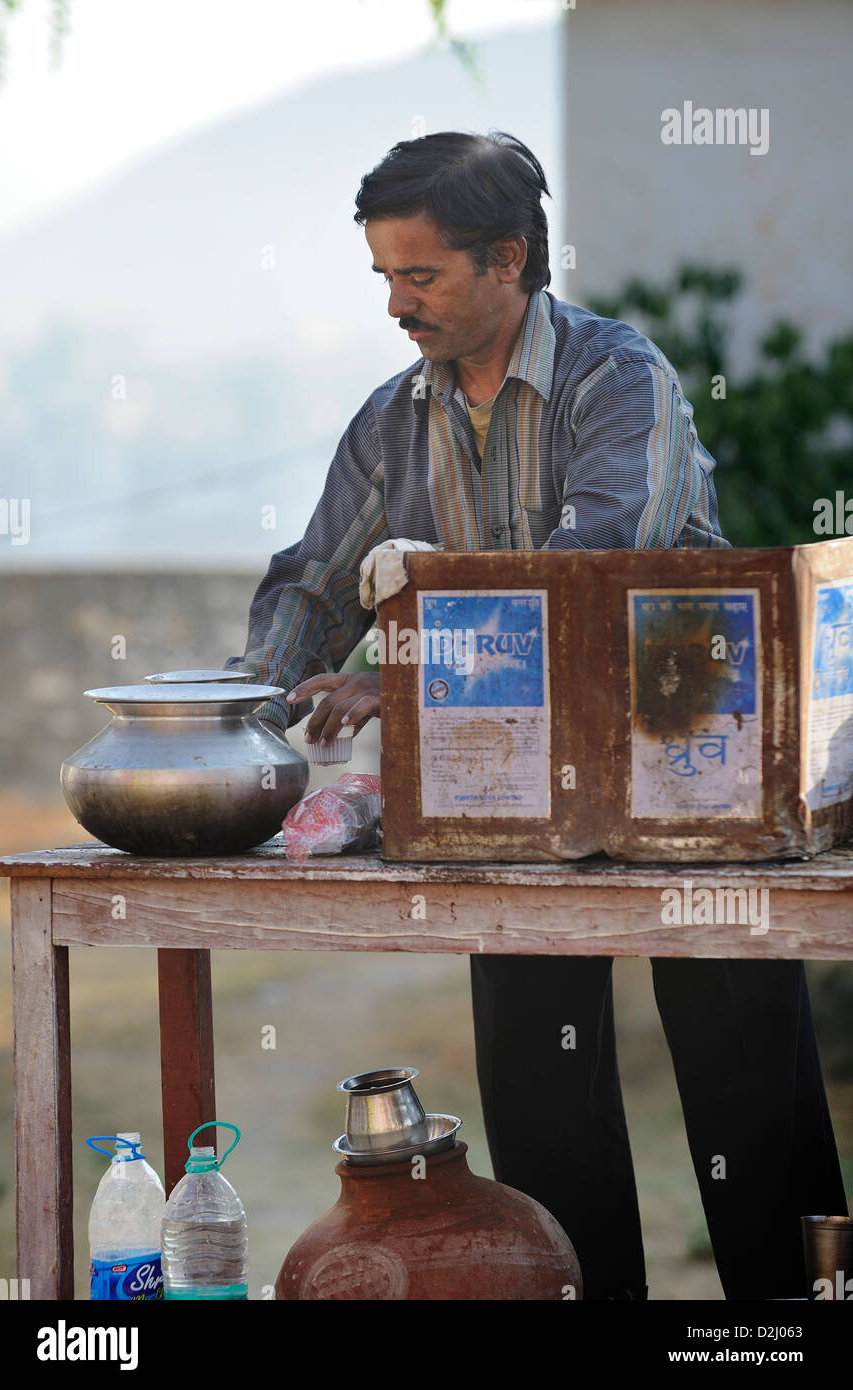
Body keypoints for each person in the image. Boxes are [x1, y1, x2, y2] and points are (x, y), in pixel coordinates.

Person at [225, 130, 847, 1299]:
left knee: (740, 1084)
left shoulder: (621, 381)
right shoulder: (391, 418)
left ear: (507, 258)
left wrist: (405, 673)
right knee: (538, 1089)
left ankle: (789, 1323)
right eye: (384, 279)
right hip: (504, 789)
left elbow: (588, 573)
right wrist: (232, 712)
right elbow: (315, 582)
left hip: (690, 768)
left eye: (421, 277)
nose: (396, 306)